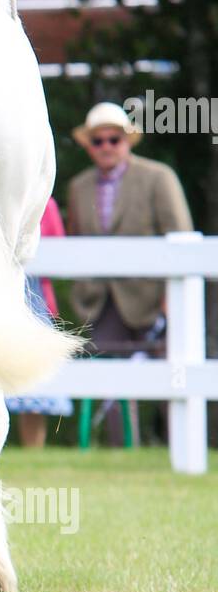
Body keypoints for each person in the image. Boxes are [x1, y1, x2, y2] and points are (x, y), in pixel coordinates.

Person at [66, 101, 193, 446]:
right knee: (107, 380)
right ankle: (123, 449)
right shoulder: (79, 187)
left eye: (114, 139)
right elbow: (75, 243)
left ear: (126, 141)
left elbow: (180, 239)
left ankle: (180, 445)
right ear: (90, 146)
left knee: (177, 375)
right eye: (98, 141)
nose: (106, 146)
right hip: (102, 300)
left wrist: (171, 299)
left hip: (154, 299)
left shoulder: (157, 178)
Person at [5, 197, 73, 447]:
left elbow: (58, 252)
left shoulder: (46, 203)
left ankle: (32, 450)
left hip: (36, 296)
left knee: (34, 386)